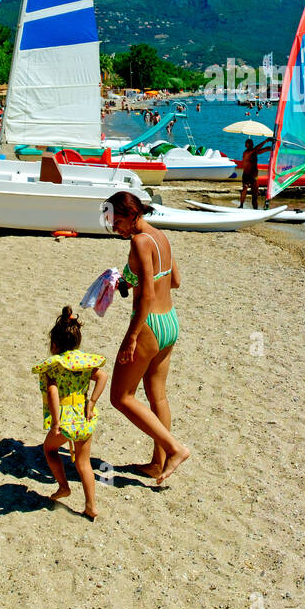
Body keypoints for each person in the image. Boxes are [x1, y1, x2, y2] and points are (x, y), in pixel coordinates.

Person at [103, 191, 189, 483]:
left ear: (132, 215)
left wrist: (131, 337)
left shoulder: (139, 241)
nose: (114, 227)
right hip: (170, 323)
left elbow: (148, 296)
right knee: (157, 396)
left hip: (150, 325)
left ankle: (174, 448)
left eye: (117, 221)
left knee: (120, 397)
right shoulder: (160, 237)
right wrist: (128, 282)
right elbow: (174, 281)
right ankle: (158, 463)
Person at [33, 307, 106, 520]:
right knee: (84, 463)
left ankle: (64, 486)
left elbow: (53, 393)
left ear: (54, 345)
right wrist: (91, 402)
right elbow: (103, 377)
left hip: (65, 419)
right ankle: (91, 506)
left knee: (50, 450)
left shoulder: (54, 367)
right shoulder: (83, 364)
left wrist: (56, 422)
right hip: (84, 416)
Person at [238, 136, 270, 210]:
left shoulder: (254, 152)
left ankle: (255, 209)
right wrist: (266, 141)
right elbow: (256, 149)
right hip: (247, 176)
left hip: (254, 177)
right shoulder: (246, 152)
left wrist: (270, 148)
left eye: (251, 143)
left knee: (255, 194)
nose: (250, 144)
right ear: (245, 145)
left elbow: (262, 150)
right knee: (245, 188)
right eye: (248, 143)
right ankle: (241, 205)